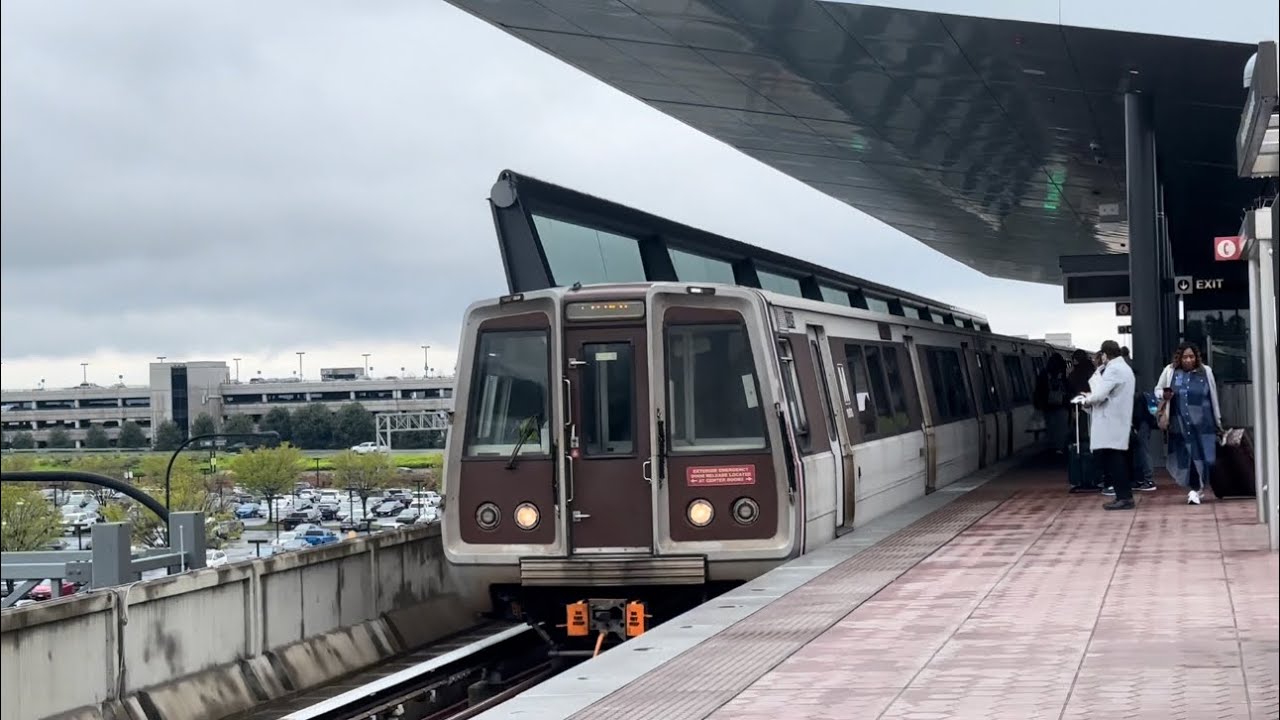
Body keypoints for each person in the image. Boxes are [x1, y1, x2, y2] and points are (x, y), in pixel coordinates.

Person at [1074, 340, 1136, 510]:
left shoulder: (1114, 369)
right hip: (1117, 421)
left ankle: (1123, 497)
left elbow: (1099, 395)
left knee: (1115, 462)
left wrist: (1086, 399)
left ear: (1105, 354)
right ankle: (1124, 496)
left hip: (1111, 422)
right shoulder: (1124, 368)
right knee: (1118, 460)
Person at [1160, 342, 1222, 505]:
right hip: (1180, 424)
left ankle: (1197, 489)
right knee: (1185, 457)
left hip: (1203, 424)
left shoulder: (1205, 372)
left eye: (1191, 357)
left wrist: (1218, 420)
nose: (1188, 360)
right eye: (1185, 357)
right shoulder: (1170, 372)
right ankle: (1194, 489)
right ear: (1179, 358)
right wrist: (1164, 394)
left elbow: (1213, 396)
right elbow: (1158, 390)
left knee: (1203, 457)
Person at [1033, 354, 1070, 454]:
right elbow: (1068, 388)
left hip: (1047, 406)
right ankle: (1060, 448)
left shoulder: (1044, 373)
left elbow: (1038, 390)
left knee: (1050, 428)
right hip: (1061, 407)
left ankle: (1051, 448)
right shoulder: (1063, 373)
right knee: (1061, 429)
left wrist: (1039, 404)